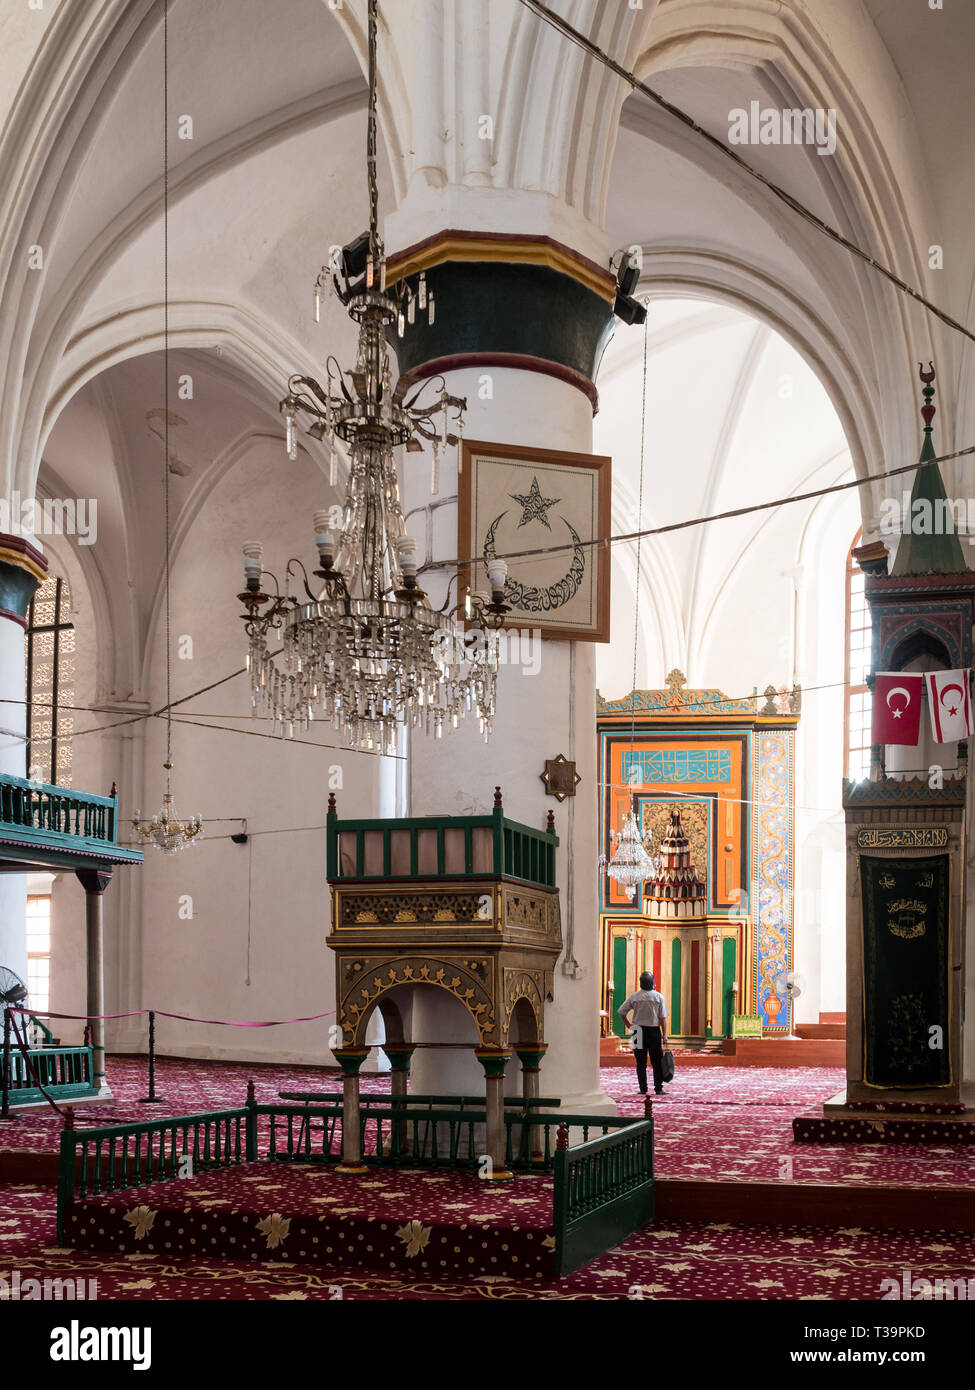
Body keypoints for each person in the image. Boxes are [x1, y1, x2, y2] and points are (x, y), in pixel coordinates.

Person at [618, 971, 669, 1096]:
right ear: (653, 983)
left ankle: (643, 1089)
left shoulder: (634, 997)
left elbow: (621, 1012)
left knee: (640, 1062)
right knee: (657, 1061)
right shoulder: (658, 997)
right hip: (653, 1031)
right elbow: (663, 1018)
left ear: (640, 983)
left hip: (638, 1031)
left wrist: (630, 1026)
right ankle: (658, 1088)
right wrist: (665, 1035)